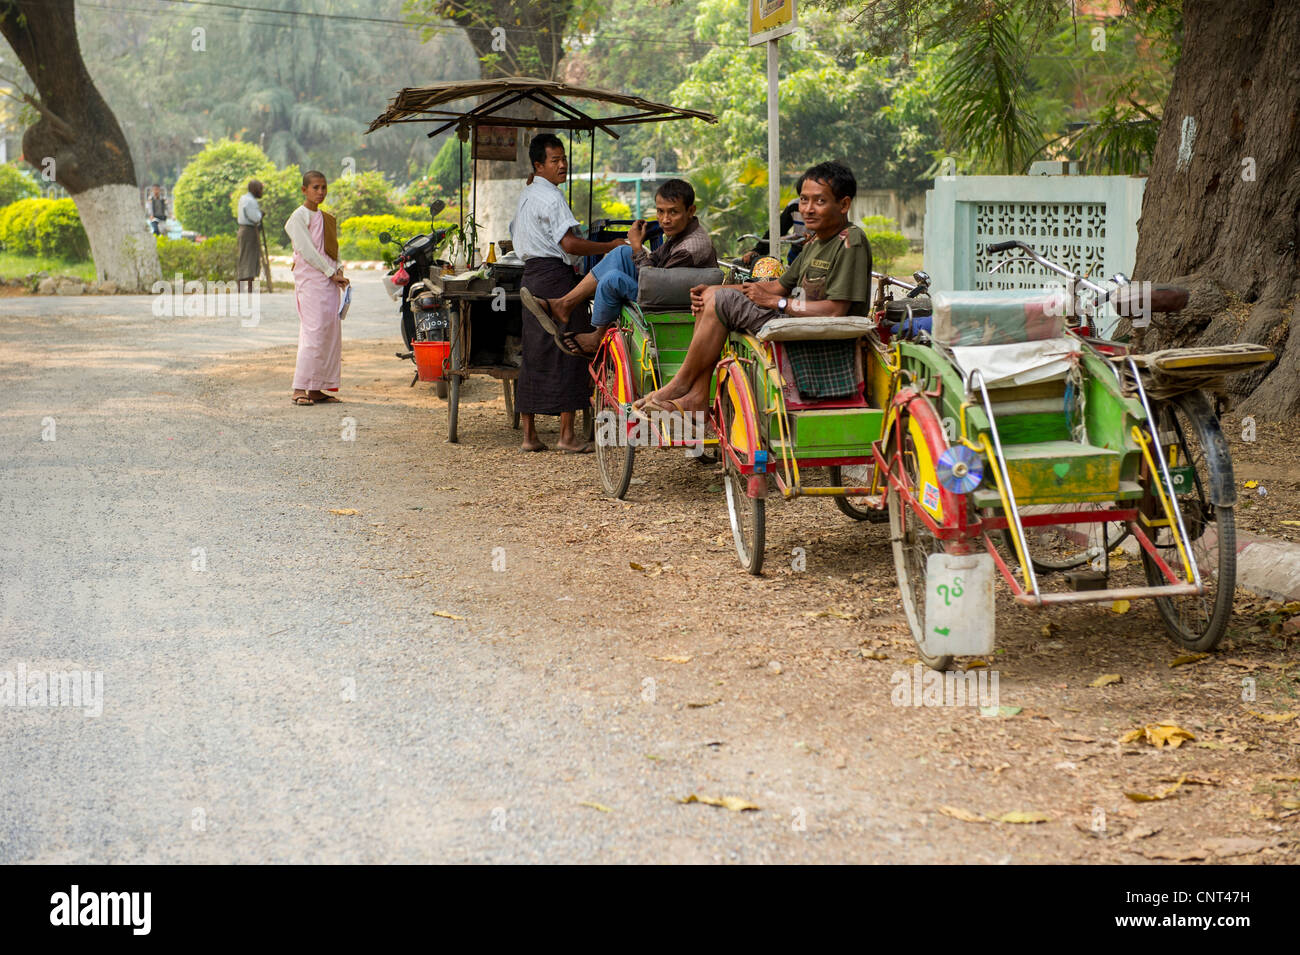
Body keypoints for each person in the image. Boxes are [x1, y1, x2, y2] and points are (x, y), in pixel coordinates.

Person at [636, 161, 871, 415]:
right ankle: (698, 396)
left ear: (844, 205)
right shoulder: (816, 242)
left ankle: (680, 384)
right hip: (796, 322)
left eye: (819, 201)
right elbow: (779, 285)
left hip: (819, 331)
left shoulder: (850, 242)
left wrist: (777, 303)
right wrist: (717, 289)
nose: (808, 209)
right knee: (711, 296)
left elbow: (835, 310)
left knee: (721, 300)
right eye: (804, 200)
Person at [510, 133, 625, 452]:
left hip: (530, 278)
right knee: (571, 349)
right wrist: (610, 246)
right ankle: (566, 436)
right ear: (539, 165)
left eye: (564, 159)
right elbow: (570, 244)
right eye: (555, 161)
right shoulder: (552, 197)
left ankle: (530, 436)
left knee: (534, 353)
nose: (562, 165)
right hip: (556, 279)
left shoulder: (528, 194)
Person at [519, 178, 717, 357]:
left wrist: (638, 246)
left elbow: (654, 282)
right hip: (664, 288)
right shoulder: (680, 234)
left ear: (691, 211)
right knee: (622, 252)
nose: (665, 219)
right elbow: (656, 263)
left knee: (613, 279)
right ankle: (565, 304)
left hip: (673, 301)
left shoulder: (692, 246)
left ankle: (596, 337)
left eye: (673, 212)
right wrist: (634, 246)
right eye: (660, 211)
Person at [284, 170, 348, 406]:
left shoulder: (327, 218)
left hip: (330, 282)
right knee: (313, 332)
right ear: (304, 190)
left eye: (323, 187)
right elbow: (307, 251)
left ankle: (317, 389)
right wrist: (331, 273)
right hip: (312, 281)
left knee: (329, 333)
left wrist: (338, 269)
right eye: (315, 188)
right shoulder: (297, 218)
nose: (320, 192)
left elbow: (333, 250)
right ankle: (299, 388)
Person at [741, 193, 804, 267]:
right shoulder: (794, 206)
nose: (808, 209)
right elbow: (777, 231)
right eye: (804, 199)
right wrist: (757, 250)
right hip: (796, 255)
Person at [236, 180, 264, 294]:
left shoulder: (244, 198)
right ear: (254, 189)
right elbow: (256, 218)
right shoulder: (250, 201)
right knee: (249, 259)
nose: (262, 192)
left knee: (244, 257)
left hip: (244, 229)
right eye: (260, 189)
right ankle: (248, 289)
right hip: (249, 231)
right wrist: (261, 215)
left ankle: (243, 288)